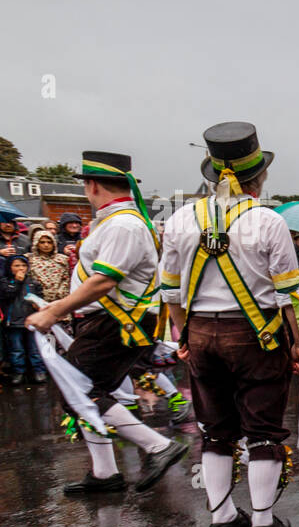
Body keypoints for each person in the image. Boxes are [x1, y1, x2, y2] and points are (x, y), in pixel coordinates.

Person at [157, 122, 299, 527]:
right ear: (257, 176)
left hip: (200, 332)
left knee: (215, 429)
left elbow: (169, 289)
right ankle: (262, 523)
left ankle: (223, 519)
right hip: (257, 335)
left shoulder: (180, 219)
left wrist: (181, 332)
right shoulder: (268, 221)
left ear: (212, 175)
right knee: (262, 429)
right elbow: (289, 294)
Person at [25, 151, 188, 493]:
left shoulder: (123, 224)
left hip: (118, 323)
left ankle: (158, 446)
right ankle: (104, 474)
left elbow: (103, 281)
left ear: (92, 184)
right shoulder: (115, 222)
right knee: (86, 390)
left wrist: (54, 311)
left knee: (78, 390)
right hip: (109, 321)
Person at [1, 256, 46, 384]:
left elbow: (40, 298)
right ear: (9, 268)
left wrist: (38, 305)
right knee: (16, 350)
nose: (21, 268)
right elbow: (7, 295)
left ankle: (38, 371)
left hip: (31, 321)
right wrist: (17, 282)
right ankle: (18, 372)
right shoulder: (5, 282)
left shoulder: (33, 282)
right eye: (16, 266)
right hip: (13, 321)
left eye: (23, 265)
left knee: (34, 349)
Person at [26, 229, 70, 311]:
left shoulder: (62, 259)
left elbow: (67, 278)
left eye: (49, 242)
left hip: (60, 300)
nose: (46, 245)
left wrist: (62, 292)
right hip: (38, 301)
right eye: (42, 242)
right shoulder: (29, 259)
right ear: (36, 244)